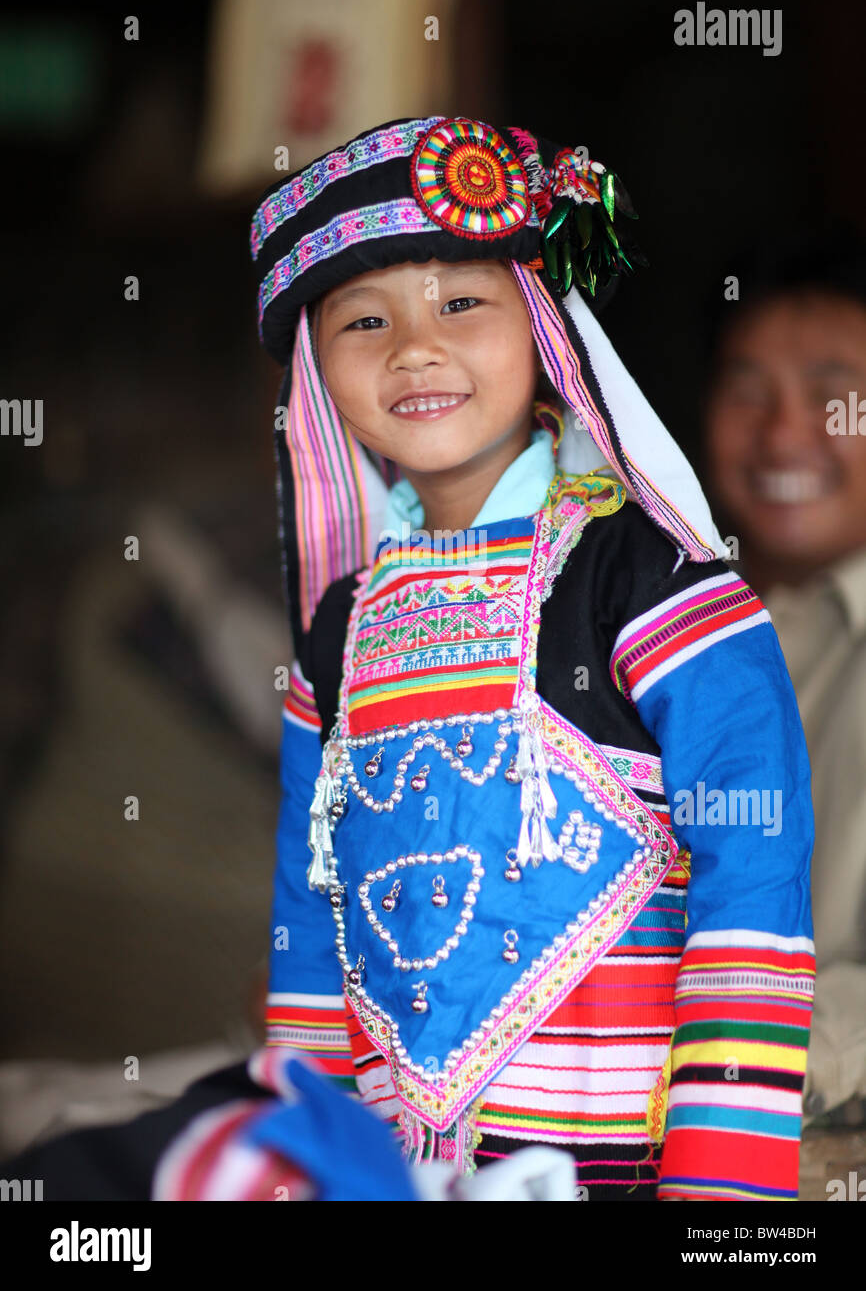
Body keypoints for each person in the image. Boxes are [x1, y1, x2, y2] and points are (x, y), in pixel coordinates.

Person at [1, 115, 815, 1201]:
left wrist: (721, 1200)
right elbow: (308, 926)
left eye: (461, 302)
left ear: (543, 330)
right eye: (363, 319)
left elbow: (750, 895)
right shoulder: (339, 632)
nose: (413, 348)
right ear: (314, 370)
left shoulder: (650, 581)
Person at [703, 234, 866, 1124]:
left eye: (834, 397)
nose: (783, 434)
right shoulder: (665, 638)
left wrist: (720, 1041)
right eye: (747, 391)